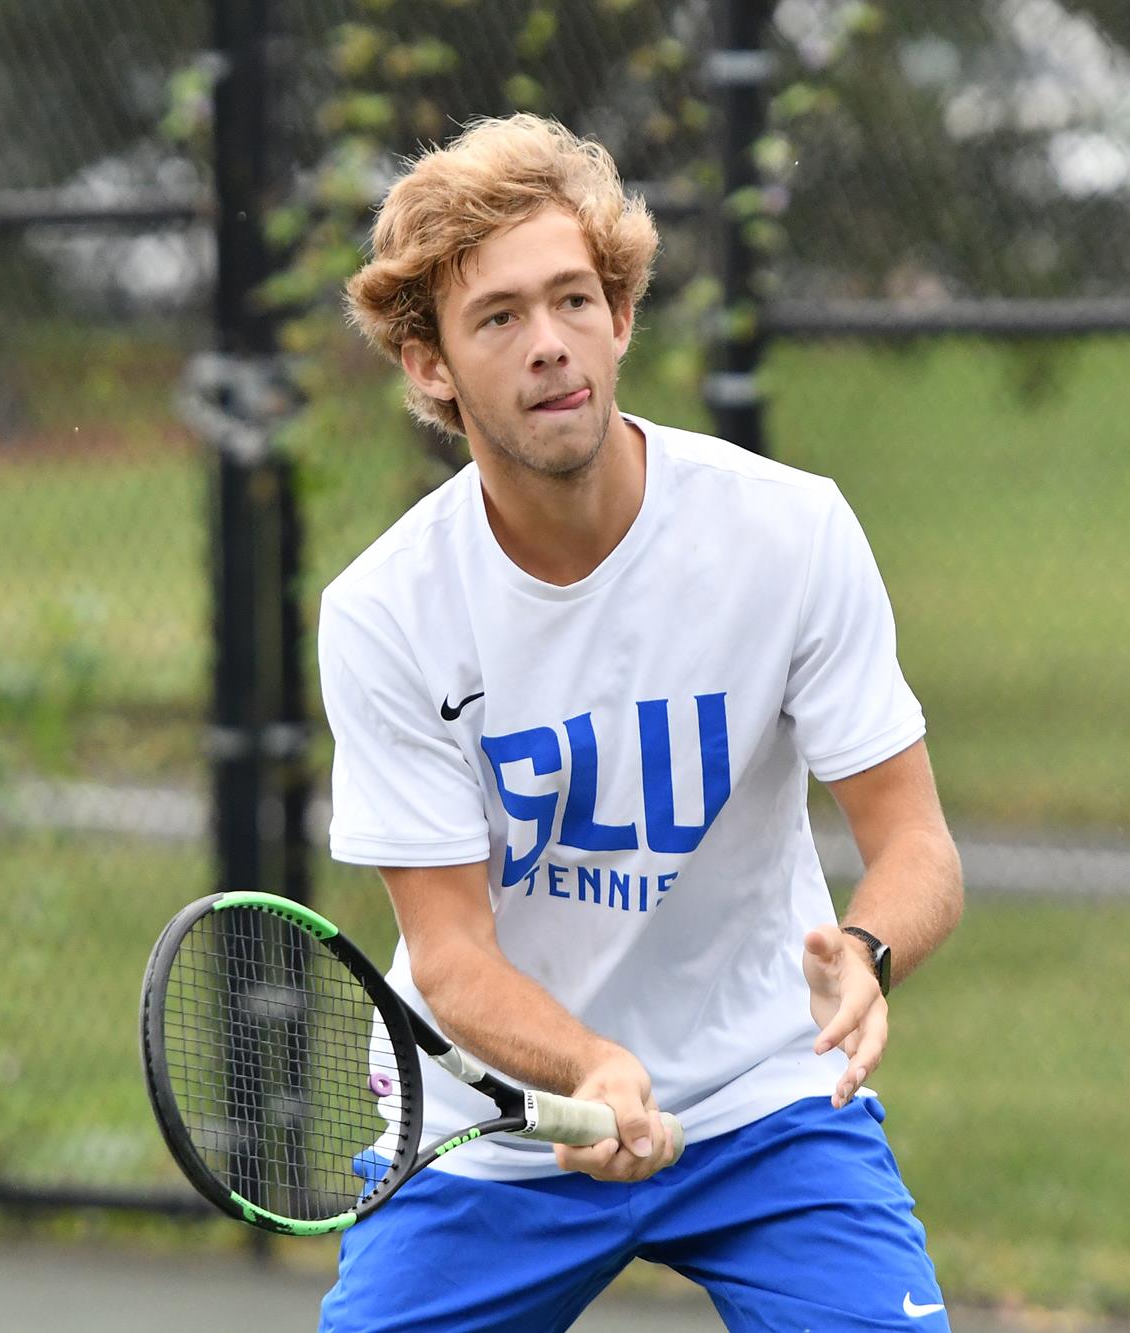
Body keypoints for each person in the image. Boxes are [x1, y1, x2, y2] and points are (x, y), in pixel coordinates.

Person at [317, 113, 965, 1332]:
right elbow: (450, 955)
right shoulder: (383, 612)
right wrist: (590, 1070)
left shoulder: (788, 530)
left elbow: (916, 848)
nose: (549, 344)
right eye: (497, 317)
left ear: (620, 317)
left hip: (763, 1101)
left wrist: (867, 950)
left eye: (573, 299)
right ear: (428, 368)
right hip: (498, 1126)